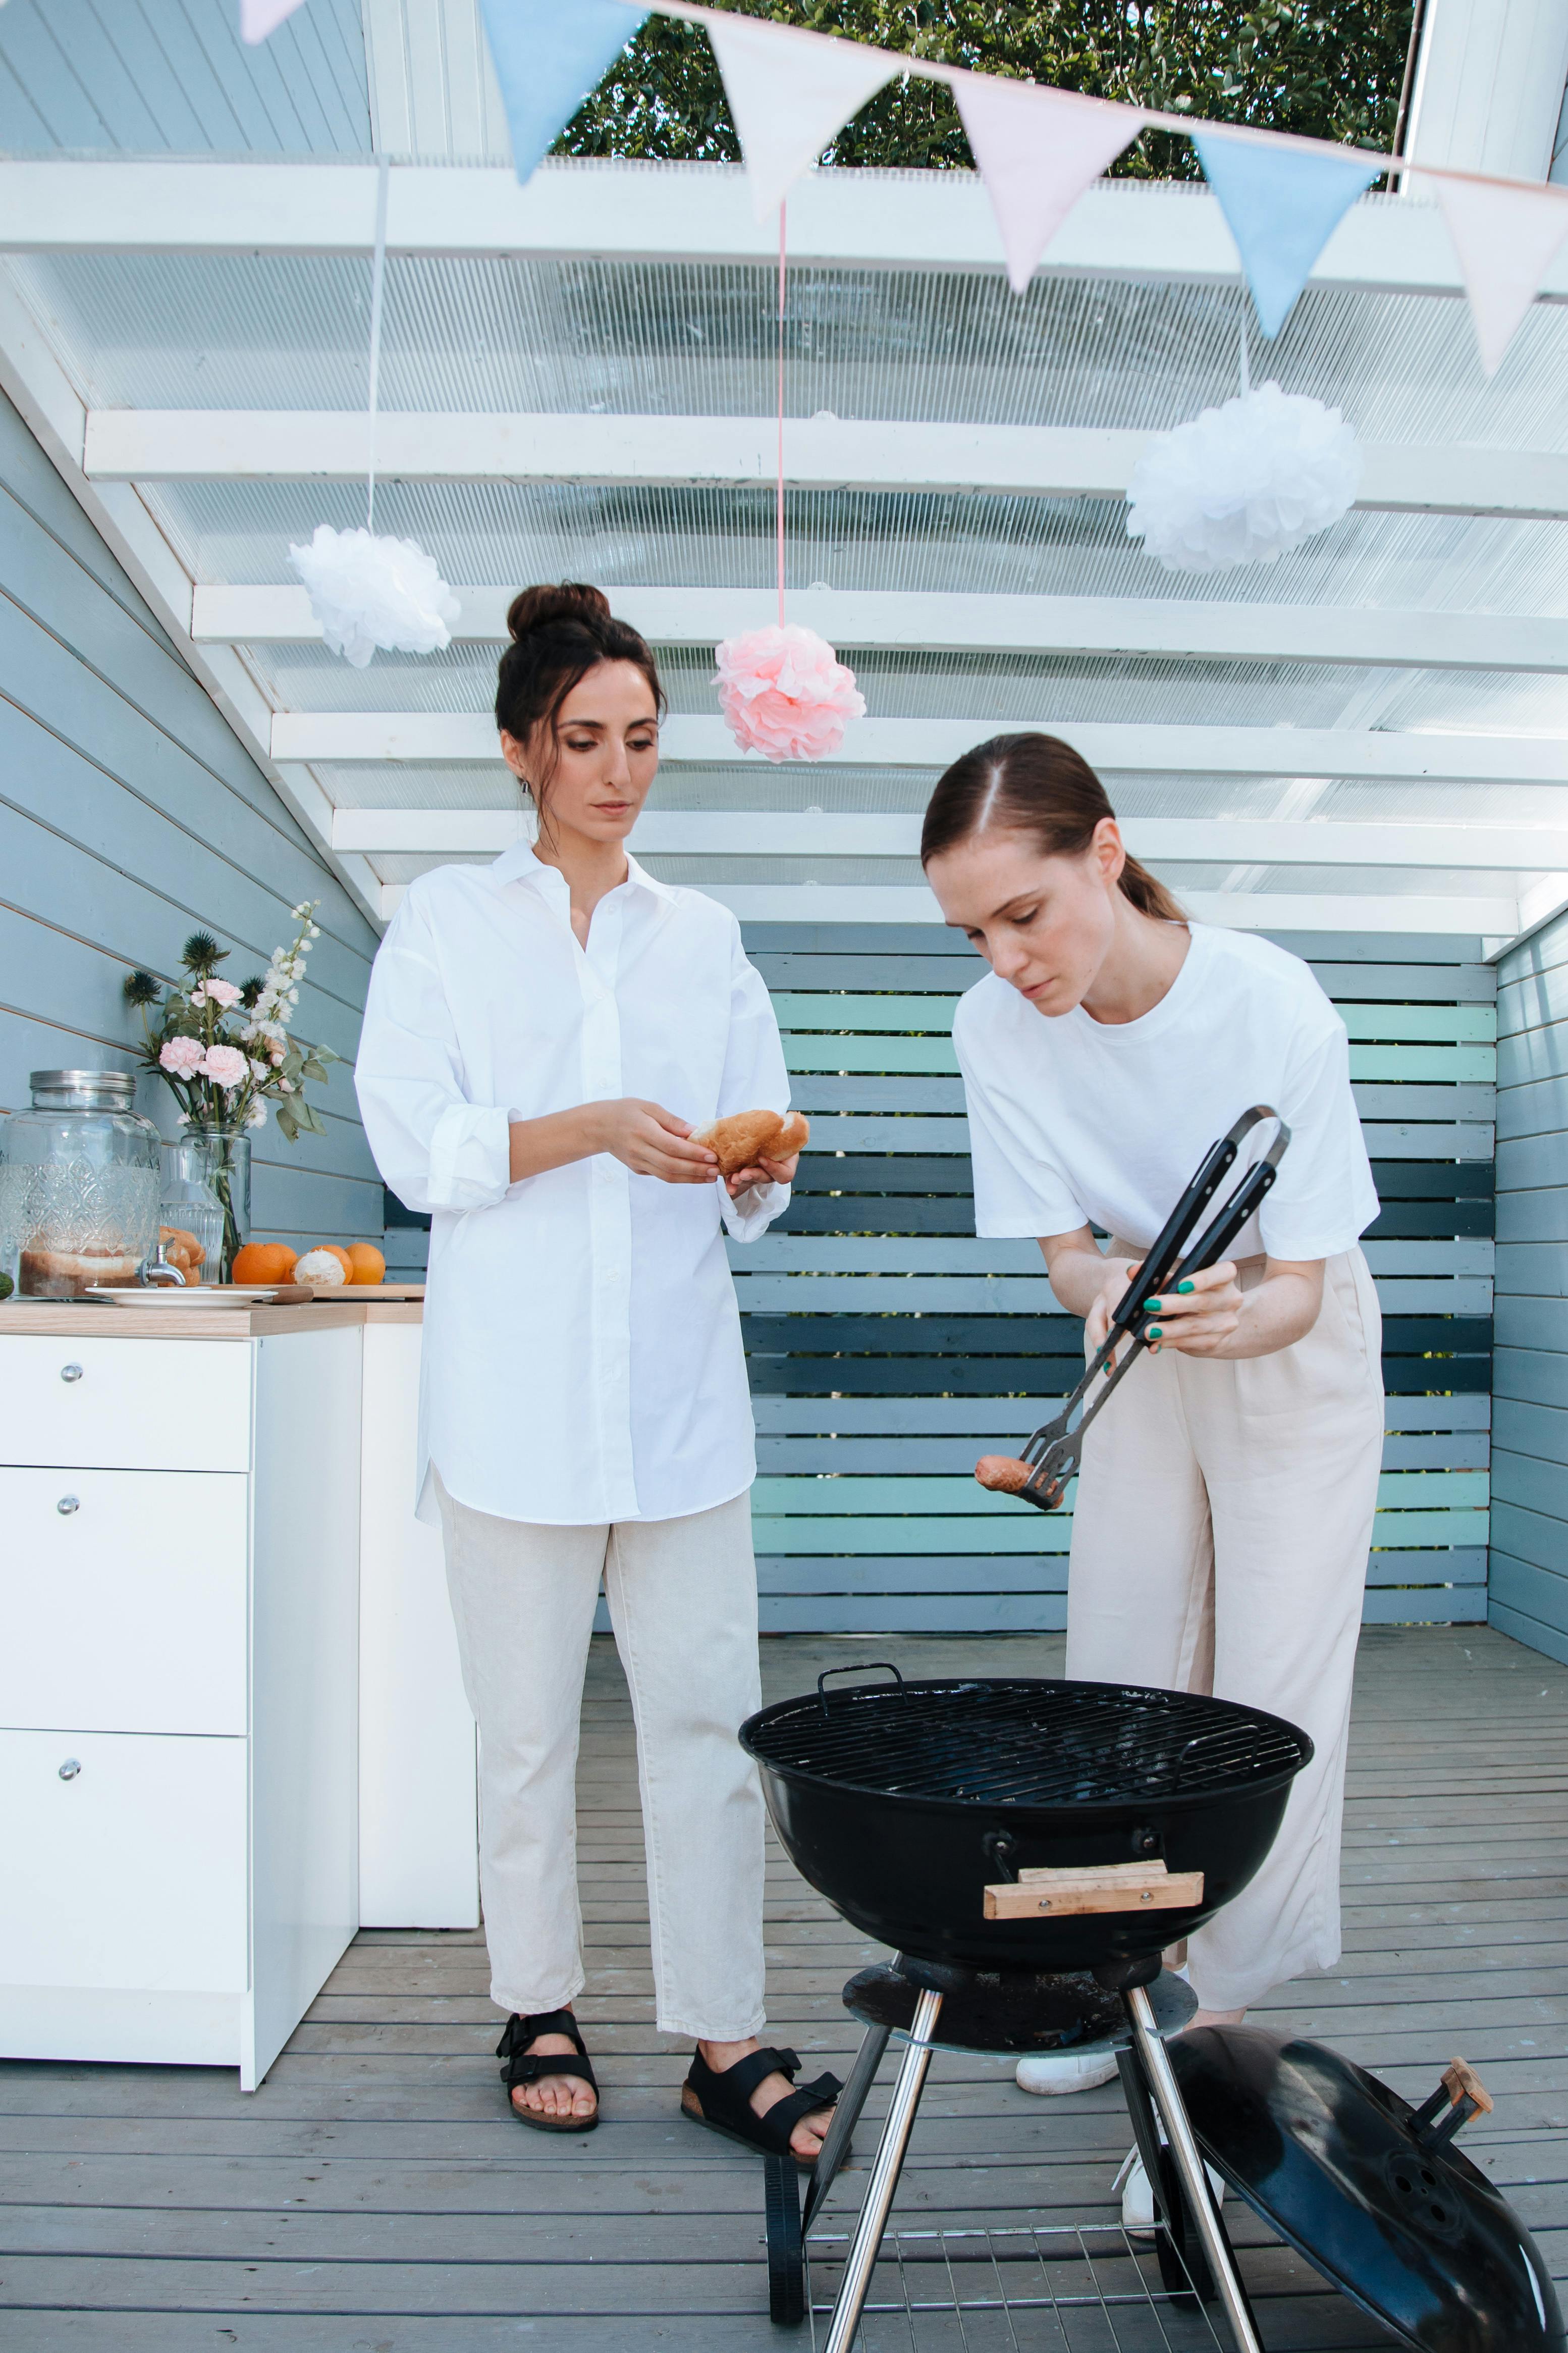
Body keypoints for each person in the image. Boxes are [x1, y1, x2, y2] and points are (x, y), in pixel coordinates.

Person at [354, 583, 840, 2164]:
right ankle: (536, 2004)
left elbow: (752, 1145)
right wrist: (585, 1127)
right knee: (524, 1734)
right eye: (583, 741)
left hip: (680, 1402)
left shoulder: (705, 938)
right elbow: (412, 1145)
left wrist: (750, 1164)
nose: (617, 770)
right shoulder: (442, 921)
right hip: (510, 1401)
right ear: (519, 752)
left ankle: (721, 2037)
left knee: (708, 1719)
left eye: (639, 738)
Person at [921, 733, 1382, 2224]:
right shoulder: (990, 1031)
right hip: (1138, 1336)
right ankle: (1112, 1985)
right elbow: (1062, 1246)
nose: (1005, 961)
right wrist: (1106, 1288)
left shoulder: (1267, 999)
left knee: (1263, 1693)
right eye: (973, 933)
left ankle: (1217, 2066)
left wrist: (1231, 1315)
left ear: (1103, 854)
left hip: (1285, 1344)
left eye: (1024, 915)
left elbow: (1300, 1285)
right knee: (1124, 1675)